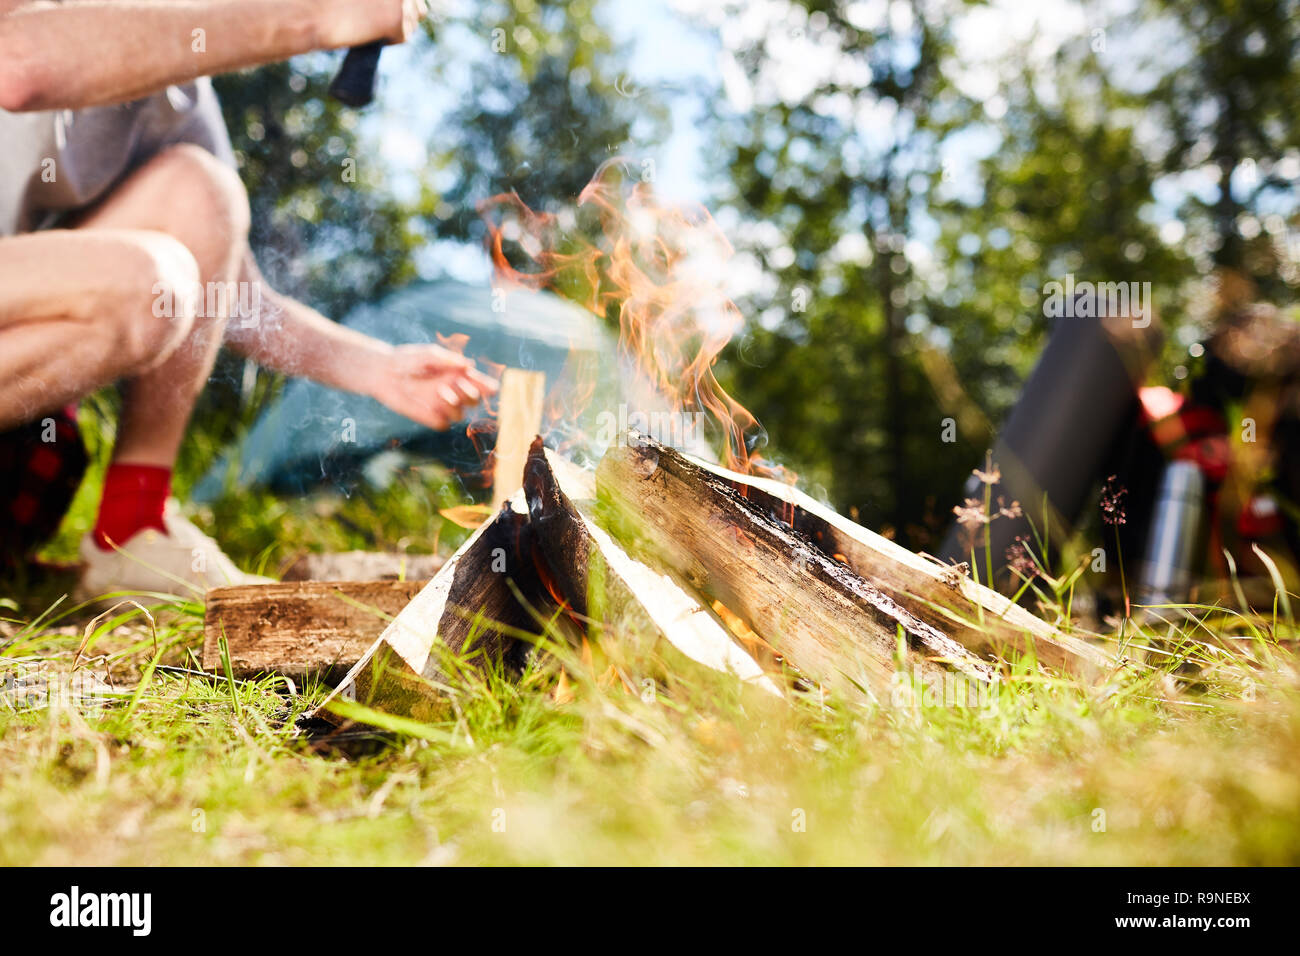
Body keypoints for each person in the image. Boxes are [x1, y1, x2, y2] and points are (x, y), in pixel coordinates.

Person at [0, 0, 497, 597]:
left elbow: (226, 292)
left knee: (204, 195)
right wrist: (314, 19)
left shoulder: (175, 91)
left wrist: (377, 369)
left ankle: (130, 530)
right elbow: (18, 61)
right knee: (147, 281)